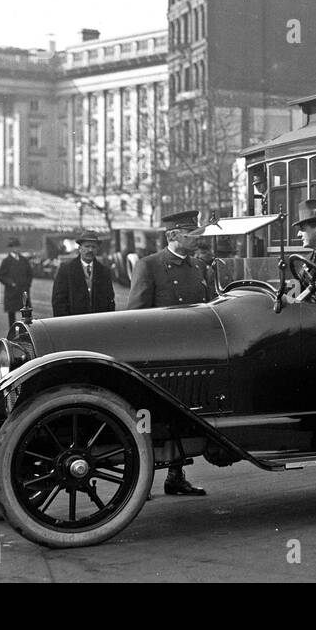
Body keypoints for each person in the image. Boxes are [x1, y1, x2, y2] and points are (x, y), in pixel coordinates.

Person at [126, 210, 210, 495]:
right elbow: (135, 317)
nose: (198, 240)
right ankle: (141, 483)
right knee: (149, 421)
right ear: (173, 235)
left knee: (182, 419)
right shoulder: (149, 266)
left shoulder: (200, 266)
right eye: (192, 235)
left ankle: (175, 476)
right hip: (160, 356)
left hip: (192, 355)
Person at [51, 230, 116, 316]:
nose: (90, 250)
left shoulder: (104, 271)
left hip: (98, 323)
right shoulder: (66, 269)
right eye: (87, 246)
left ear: (97, 249)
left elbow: (110, 301)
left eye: (93, 247)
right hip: (73, 324)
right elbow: (58, 301)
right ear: (80, 249)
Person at [0, 237, 34, 328]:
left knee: (27, 314)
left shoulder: (24, 260)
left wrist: (27, 284)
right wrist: (11, 283)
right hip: (12, 292)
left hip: (23, 291)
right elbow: (1, 275)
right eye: (14, 247)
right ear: (11, 248)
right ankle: (12, 334)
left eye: (17, 246)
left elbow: (30, 274)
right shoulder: (6, 261)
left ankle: (28, 332)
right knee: (11, 315)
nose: (16, 248)